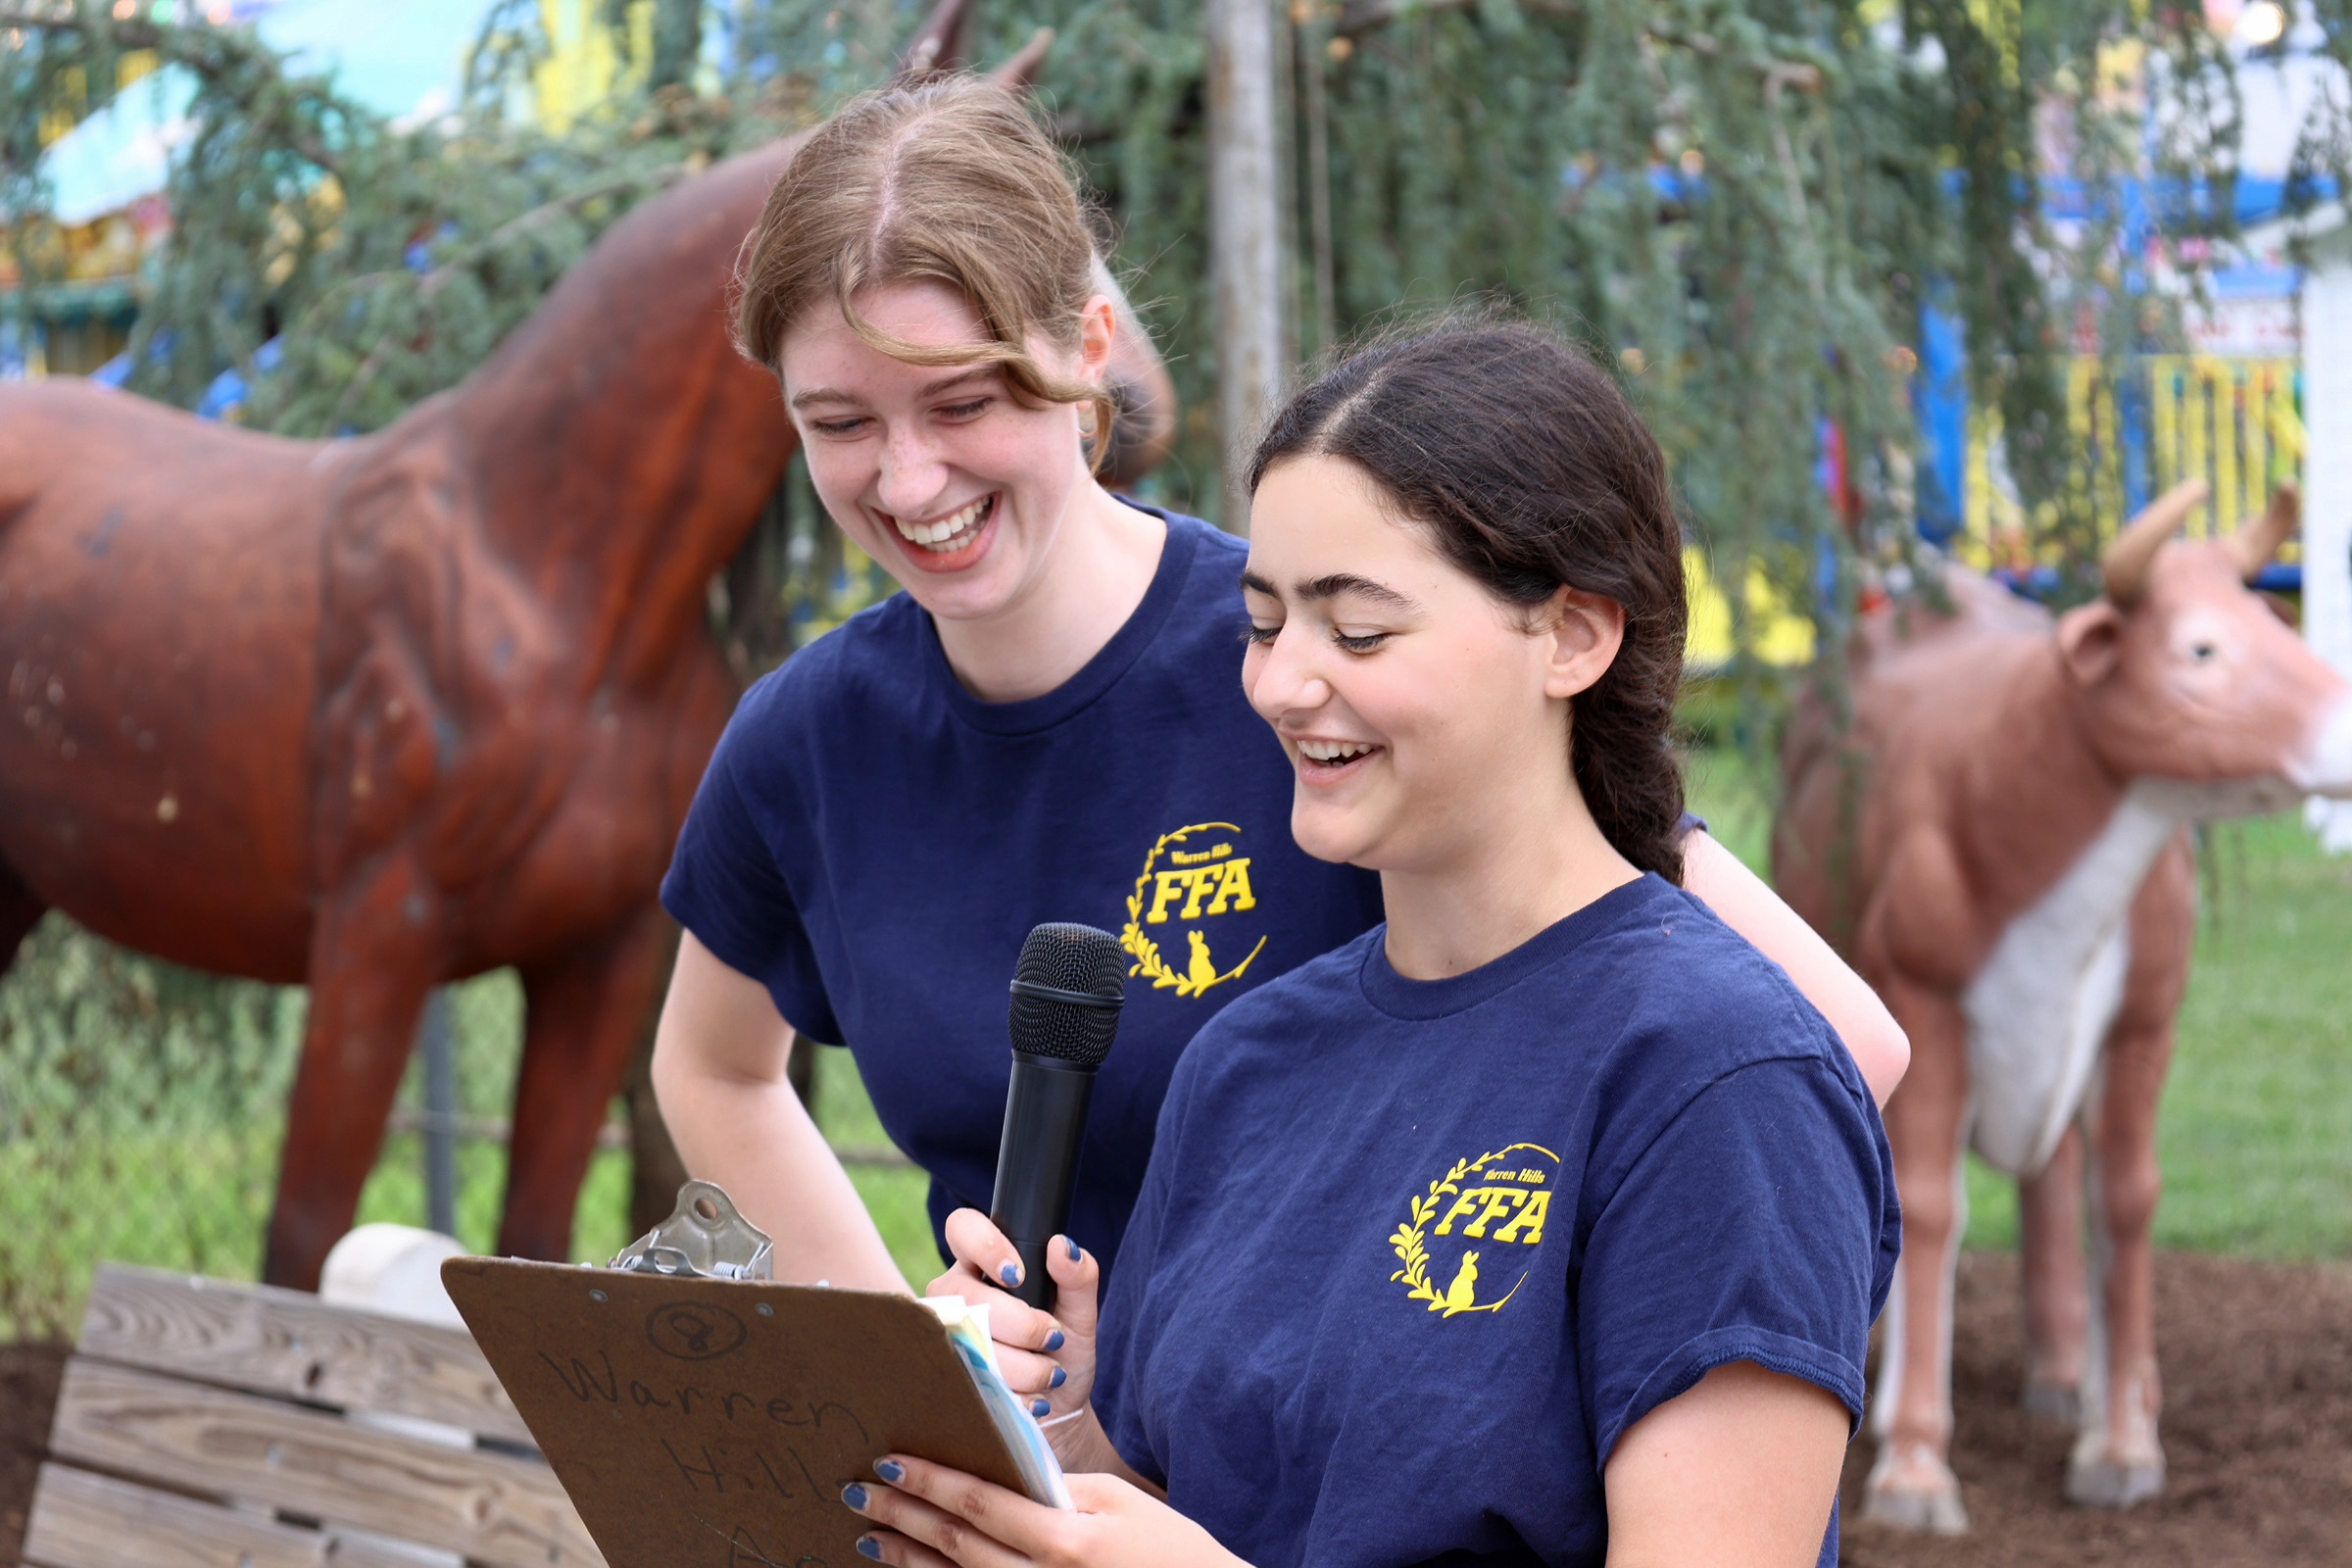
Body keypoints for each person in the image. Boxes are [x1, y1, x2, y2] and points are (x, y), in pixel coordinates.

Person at [652, 74, 1908, 1298]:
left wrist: (1492, 1352)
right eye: (841, 424)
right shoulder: (807, 742)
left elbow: (1830, 1039)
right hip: (1042, 1485)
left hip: (1345, 1485)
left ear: (1090, 349)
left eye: (963, 402)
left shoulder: (1335, 673)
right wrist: (920, 1384)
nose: (910, 481)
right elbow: (713, 1071)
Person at [842, 320, 1899, 1568]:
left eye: (1358, 630)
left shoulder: (1720, 1080)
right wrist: (1050, 1448)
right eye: (1264, 620)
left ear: (1573, 635)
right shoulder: (1246, 1058)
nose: (1283, 683)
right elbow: (1216, 1514)